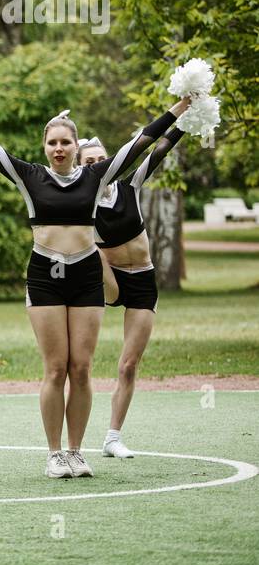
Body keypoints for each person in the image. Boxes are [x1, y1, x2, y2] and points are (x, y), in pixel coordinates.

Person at [0, 93, 190, 477]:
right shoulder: (29, 176)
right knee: (55, 369)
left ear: (77, 146)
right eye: (52, 142)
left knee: (82, 369)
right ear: (45, 146)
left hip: (86, 275)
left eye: (65, 142)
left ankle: (76, 451)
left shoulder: (96, 175)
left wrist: (179, 109)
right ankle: (54, 453)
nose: (59, 148)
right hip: (45, 277)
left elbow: (140, 142)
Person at [78, 127, 187, 459]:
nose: (99, 164)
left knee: (128, 365)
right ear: (82, 168)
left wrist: (184, 116)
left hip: (141, 280)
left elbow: (159, 148)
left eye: (102, 158)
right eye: (90, 162)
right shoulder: (82, 202)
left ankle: (112, 438)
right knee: (86, 245)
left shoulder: (130, 185)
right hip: (108, 281)